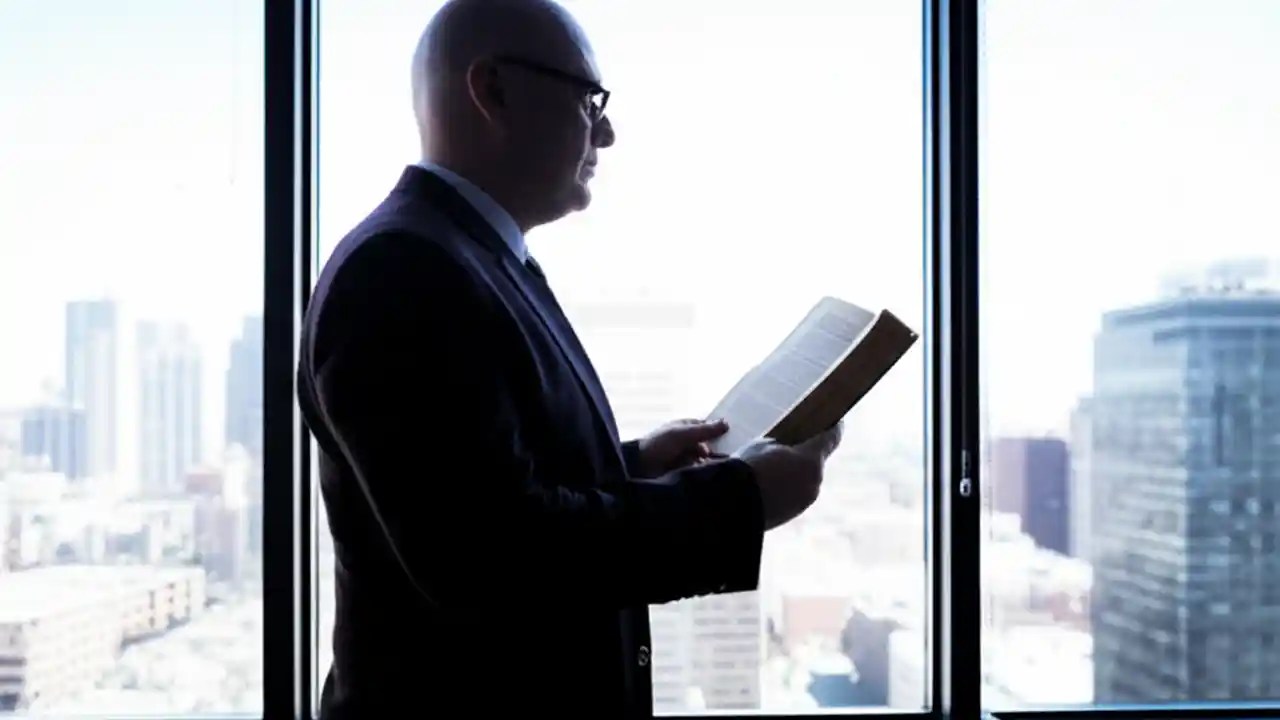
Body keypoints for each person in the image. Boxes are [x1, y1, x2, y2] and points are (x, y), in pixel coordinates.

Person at [295, 0, 844, 716]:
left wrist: (636, 463)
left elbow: (482, 482)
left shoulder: (461, 257)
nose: (606, 131)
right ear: (492, 90)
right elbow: (490, 556)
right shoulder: (404, 270)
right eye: (589, 99)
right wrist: (743, 502)